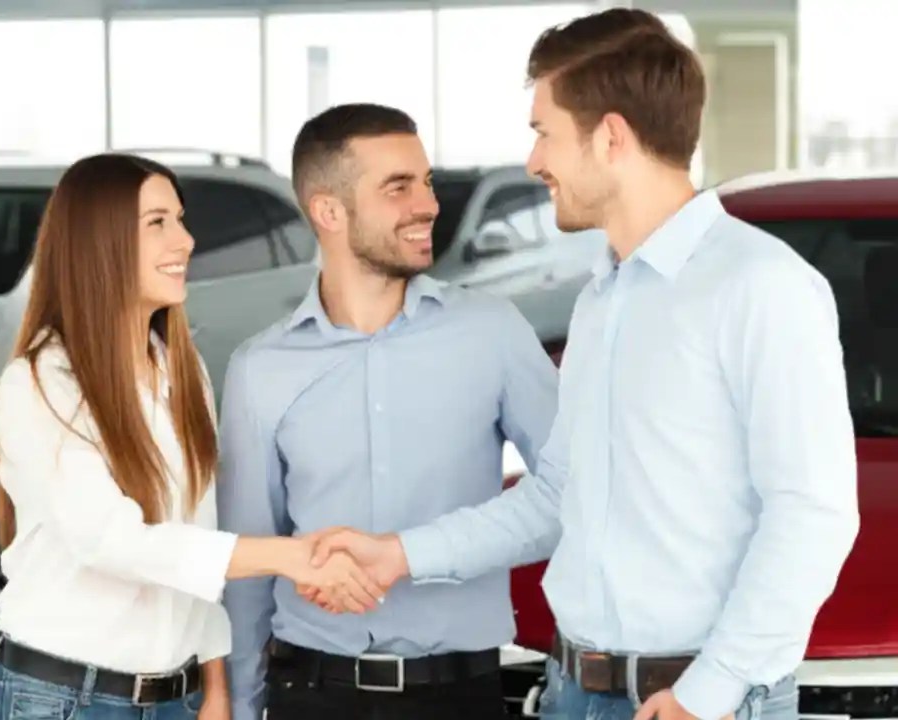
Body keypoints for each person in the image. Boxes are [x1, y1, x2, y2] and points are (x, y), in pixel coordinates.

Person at [307, 9, 860, 720]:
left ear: (609, 136)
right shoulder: (604, 297)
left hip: (700, 703)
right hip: (574, 691)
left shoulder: (761, 286)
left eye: (544, 132)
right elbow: (554, 498)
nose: (534, 160)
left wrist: (710, 691)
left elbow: (812, 514)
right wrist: (399, 555)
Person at [0, 153, 384, 720]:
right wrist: (289, 556)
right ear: (99, 242)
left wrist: (213, 681)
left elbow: (194, 533)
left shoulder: (180, 369)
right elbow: (112, 542)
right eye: (158, 223)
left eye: (181, 218)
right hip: (65, 700)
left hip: (179, 696)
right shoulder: (38, 384)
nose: (187, 240)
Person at [216, 103, 560, 720]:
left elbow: (572, 497)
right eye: (398, 188)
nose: (427, 204)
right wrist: (241, 706)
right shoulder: (259, 368)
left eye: (425, 182)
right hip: (311, 695)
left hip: (460, 695)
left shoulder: (493, 334)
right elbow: (249, 563)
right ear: (328, 211)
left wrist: (414, 552)